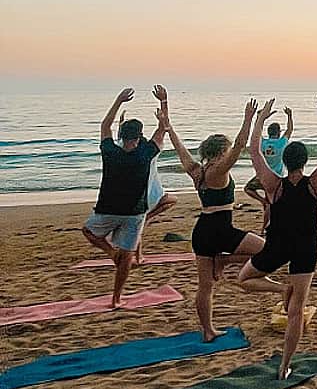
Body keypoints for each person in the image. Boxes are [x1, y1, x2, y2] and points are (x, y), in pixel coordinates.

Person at [158, 87, 287, 342]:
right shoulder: (218, 171)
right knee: (269, 250)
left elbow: (179, 147)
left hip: (202, 231)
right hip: (220, 231)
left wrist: (167, 124)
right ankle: (225, 261)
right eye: (225, 151)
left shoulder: (197, 171)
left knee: (205, 287)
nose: (229, 154)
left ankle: (207, 331)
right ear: (220, 153)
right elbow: (241, 146)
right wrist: (249, 119)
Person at [237, 96, 317, 380]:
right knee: (296, 310)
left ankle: (280, 288)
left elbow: (254, 150)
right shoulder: (315, 183)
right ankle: (285, 365)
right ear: (304, 162)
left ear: (284, 160)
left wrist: (259, 118)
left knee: (244, 278)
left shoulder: (273, 186)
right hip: (305, 248)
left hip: (279, 246)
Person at [82, 88, 168, 308]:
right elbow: (163, 129)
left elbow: (104, 126)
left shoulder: (110, 151)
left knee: (88, 232)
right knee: (127, 256)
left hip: (107, 209)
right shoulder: (146, 152)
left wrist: (118, 100)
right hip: (135, 213)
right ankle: (116, 298)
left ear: (121, 136)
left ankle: (111, 252)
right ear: (139, 137)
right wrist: (163, 103)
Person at [121, 108, 178, 265]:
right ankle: (138, 257)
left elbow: (122, 140)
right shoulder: (150, 154)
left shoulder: (125, 152)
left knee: (138, 227)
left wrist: (121, 124)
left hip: (137, 196)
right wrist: (163, 110)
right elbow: (162, 131)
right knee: (140, 226)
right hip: (152, 196)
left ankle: (138, 255)